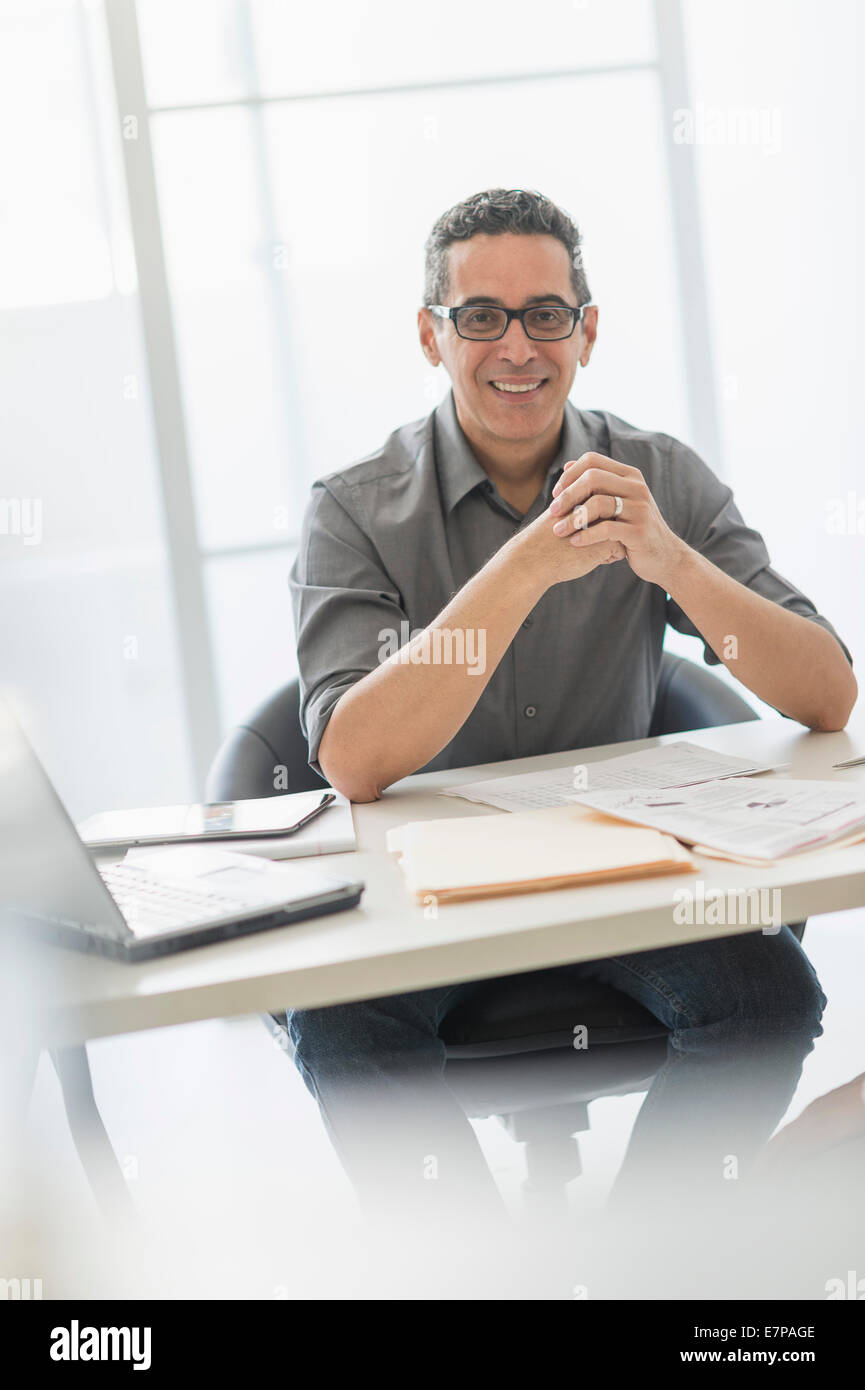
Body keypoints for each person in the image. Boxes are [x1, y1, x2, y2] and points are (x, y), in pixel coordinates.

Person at [287, 188, 856, 1228]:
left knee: (767, 998)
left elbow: (827, 693)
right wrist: (525, 564)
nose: (518, 346)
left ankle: (647, 1260)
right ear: (431, 334)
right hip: (424, 895)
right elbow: (355, 762)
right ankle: (480, 1281)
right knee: (337, 1027)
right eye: (481, 317)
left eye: (546, 313)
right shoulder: (352, 509)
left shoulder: (658, 475)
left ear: (586, 330)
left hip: (620, 875)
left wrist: (669, 559)